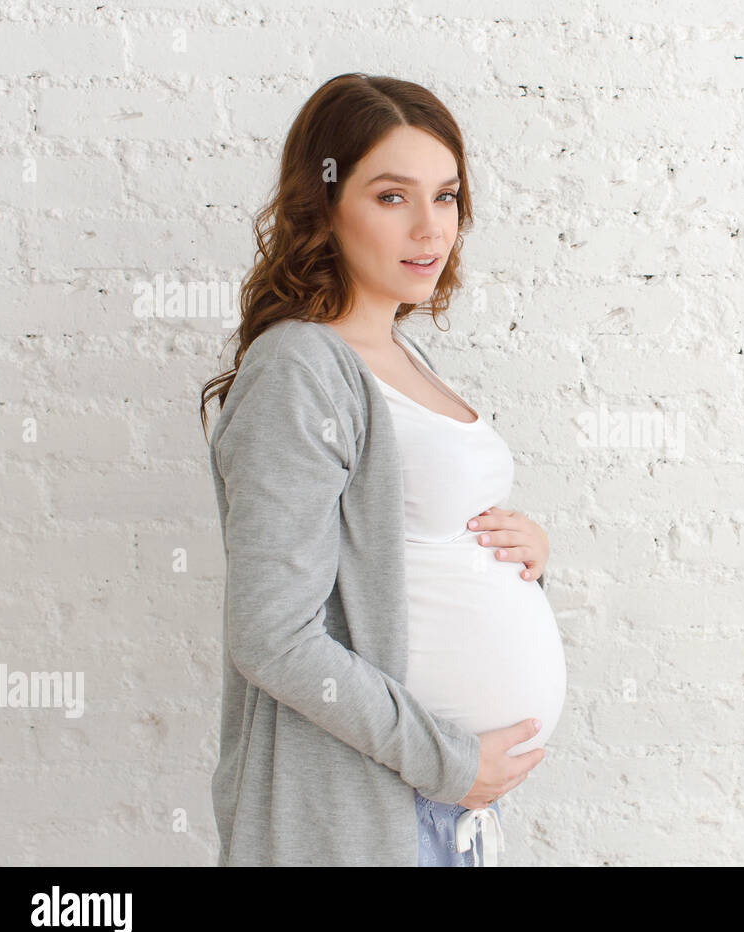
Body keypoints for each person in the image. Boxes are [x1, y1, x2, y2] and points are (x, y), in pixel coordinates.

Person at [199, 73, 567, 866]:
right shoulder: (300, 366)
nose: (430, 228)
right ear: (323, 205)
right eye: (392, 196)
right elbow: (270, 634)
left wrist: (522, 560)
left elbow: (401, 554)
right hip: (369, 817)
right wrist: (451, 760)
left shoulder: (402, 353)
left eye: (446, 196)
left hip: (438, 817)